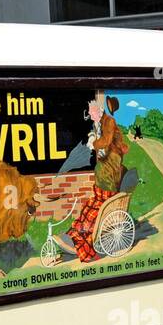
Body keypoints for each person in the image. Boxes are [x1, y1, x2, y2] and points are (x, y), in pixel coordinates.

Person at [68, 94, 128, 264]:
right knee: (91, 204)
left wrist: (93, 143)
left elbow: (107, 141)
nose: (91, 115)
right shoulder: (99, 124)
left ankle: (85, 240)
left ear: (99, 111)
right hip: (104, 169)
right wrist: (92, 138)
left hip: (111, 167)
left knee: (99, 204)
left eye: (92, 112)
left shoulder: (109, 121)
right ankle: (77, 231)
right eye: (90, 113)